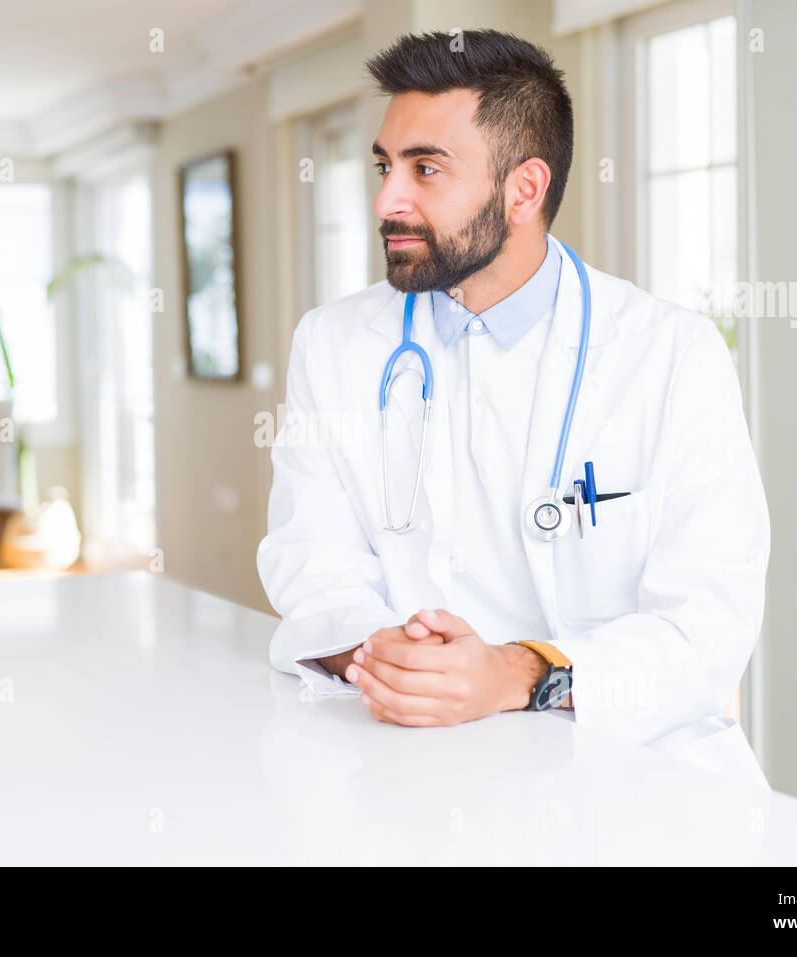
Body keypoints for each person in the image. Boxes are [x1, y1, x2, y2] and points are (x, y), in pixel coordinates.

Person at [256, 29, 770, 786]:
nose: (386, 200)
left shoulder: (673, 356)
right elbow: (310, 561)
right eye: (385, 165)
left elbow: (708, 623)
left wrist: (516, 674)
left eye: (425, 168)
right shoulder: (332, 344)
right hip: (410, 772)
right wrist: (385, 653)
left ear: (524, 190)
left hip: (635, 781)